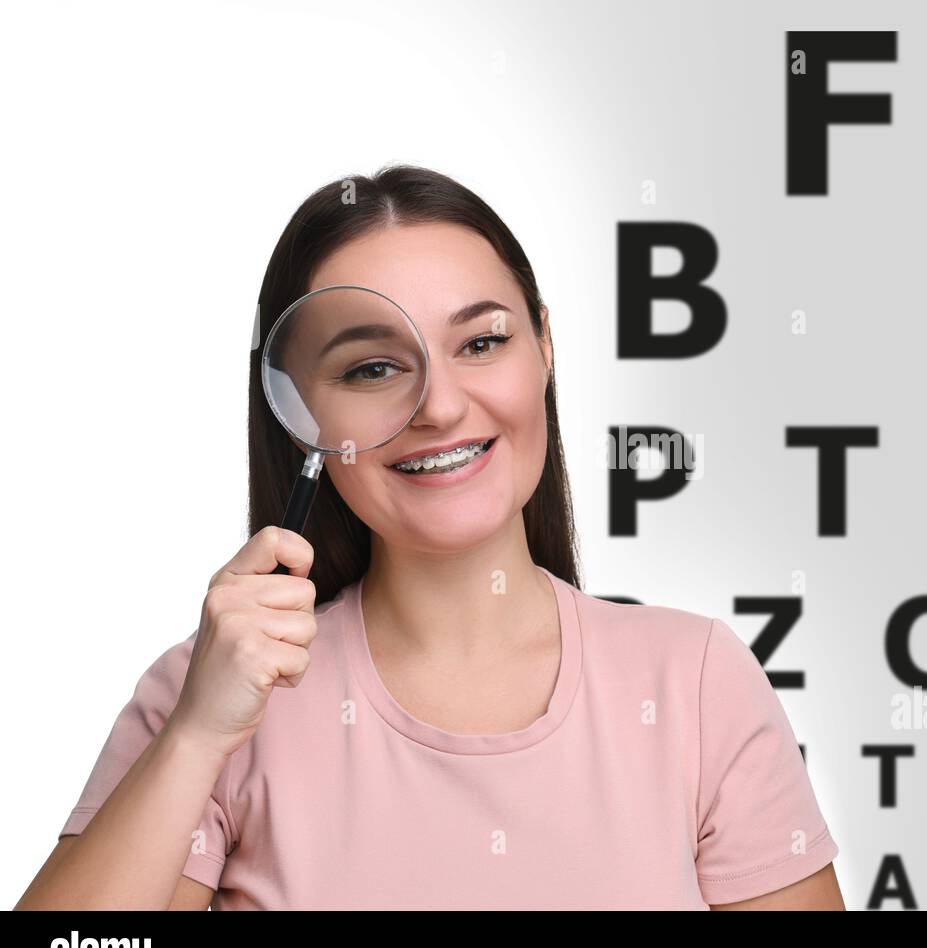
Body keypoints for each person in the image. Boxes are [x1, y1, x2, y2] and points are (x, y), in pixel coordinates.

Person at [17, 165, 843, 910]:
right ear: (303, 416)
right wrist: (197, 736)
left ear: (545, 347)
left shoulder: (696, 684)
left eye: (482, 342)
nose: (439, 406)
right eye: (372, 368)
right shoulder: (210, 697)